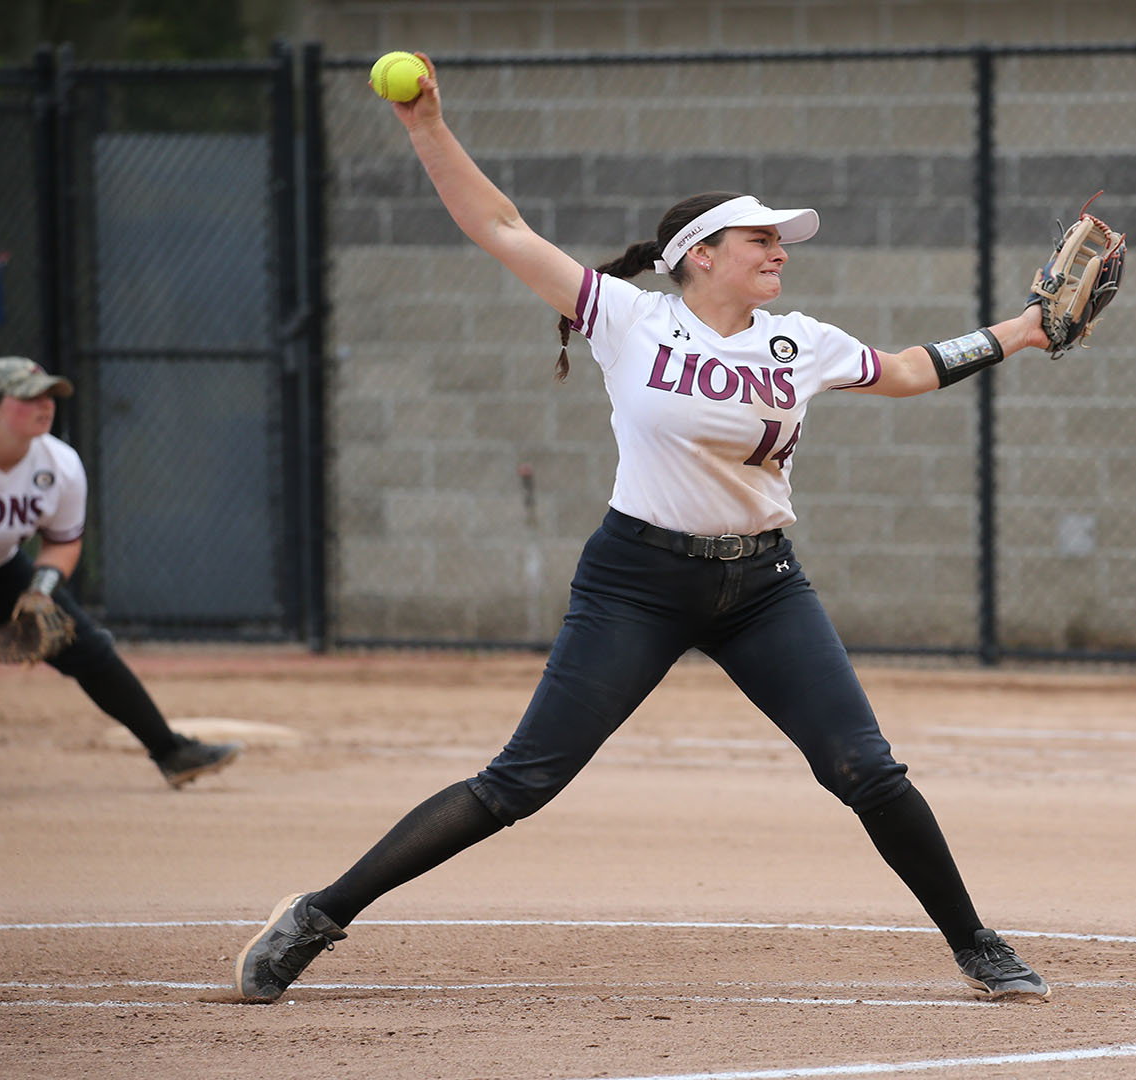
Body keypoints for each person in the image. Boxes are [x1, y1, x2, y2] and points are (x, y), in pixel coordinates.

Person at [235, 54, 1055, 1004]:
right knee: (520, 783)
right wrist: (426, 126)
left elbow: (909, 370)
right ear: (701, 254)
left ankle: (975, 943)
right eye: (760, 238)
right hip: (637, 582)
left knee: (864, 769)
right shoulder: (629, 319)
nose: (779, 251)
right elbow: (501, 227)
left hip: (764, 589)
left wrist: (1023, 329)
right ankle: (318, 915)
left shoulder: (801, 340)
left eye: (779, 239)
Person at [0, 356, 243, 786]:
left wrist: (41, 590)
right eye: (28, 396)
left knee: (87, 649)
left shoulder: (60, 464)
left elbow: (63, 541)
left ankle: (172, 752)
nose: (45, 404)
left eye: (49, 395)